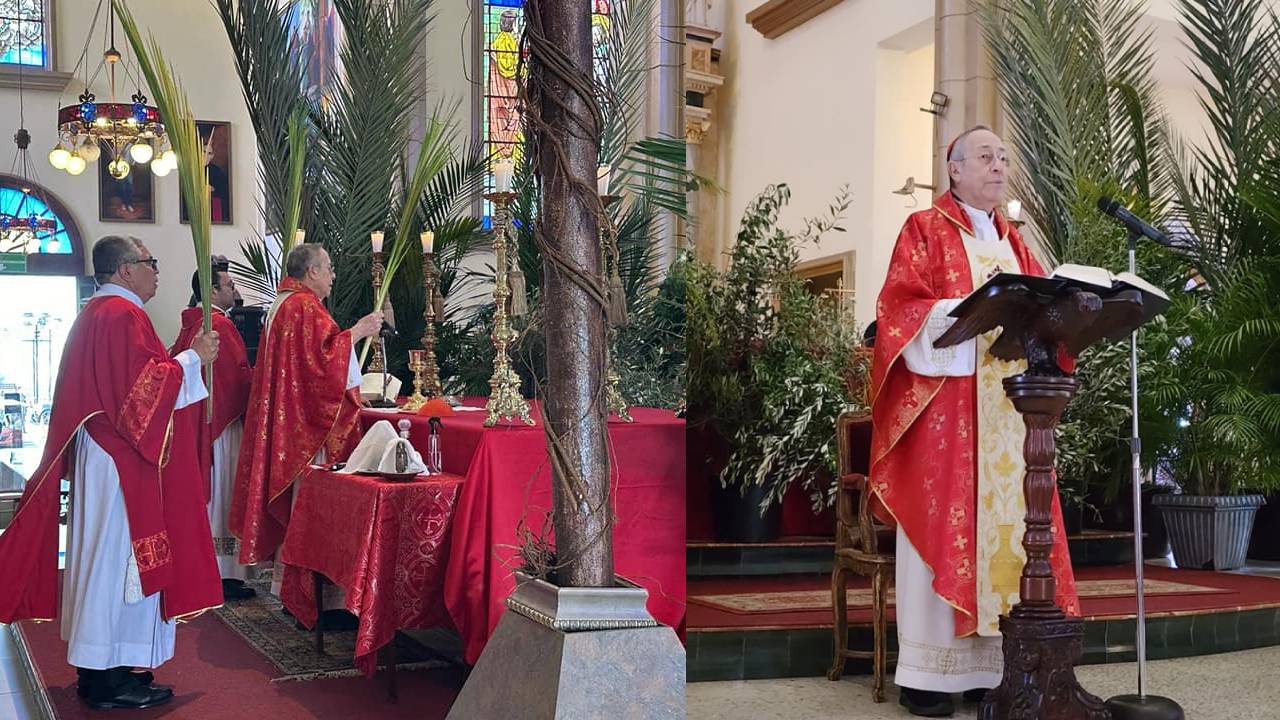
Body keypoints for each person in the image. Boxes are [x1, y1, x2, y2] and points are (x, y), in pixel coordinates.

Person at [869, 126, 1080, 717]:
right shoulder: (925, 229)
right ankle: (929, 678)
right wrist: (966, 317)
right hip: (951, 414)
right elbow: (899, 310)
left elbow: (1050, 314)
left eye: (1004, 157)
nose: (999, 166)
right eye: (985, 156)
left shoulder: (1017, 244)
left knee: (1014, 536)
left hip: (1015, 418)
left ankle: (998, 672)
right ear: (953, 169)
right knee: (947, 530)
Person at [0, 236, 222, 709]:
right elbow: (140, 395)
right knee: (115, 566)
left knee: (106, 564)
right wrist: (193, 359)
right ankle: (104, 676)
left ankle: (112, 666)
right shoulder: (120, 315)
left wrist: (182, 363)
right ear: (124, 270)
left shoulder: (101, 313)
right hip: (119, 463)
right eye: (150, 262)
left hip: (107, 460)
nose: (156, 271)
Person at [229, 244, 381, 583]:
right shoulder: (304, 307)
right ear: (311, 271)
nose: (333, 275)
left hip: (292, 421)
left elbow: (309, 363)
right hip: (308, 429)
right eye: (328, 267)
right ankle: (311, 595)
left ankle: (290, 587)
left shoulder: (284, 303)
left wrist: (352, 391)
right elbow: (321, 367)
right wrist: (358, 331)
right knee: (311, 507)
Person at [170, 258, 254, 601]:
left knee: (210, 491)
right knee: (223, 493)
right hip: (223, 427)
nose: (235, 290)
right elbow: (237, 377)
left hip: (198, 425)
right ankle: (224, 572)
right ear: (213, 291)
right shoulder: (220, 325)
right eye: (229, 285)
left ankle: (205, 565)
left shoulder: (191, 325)